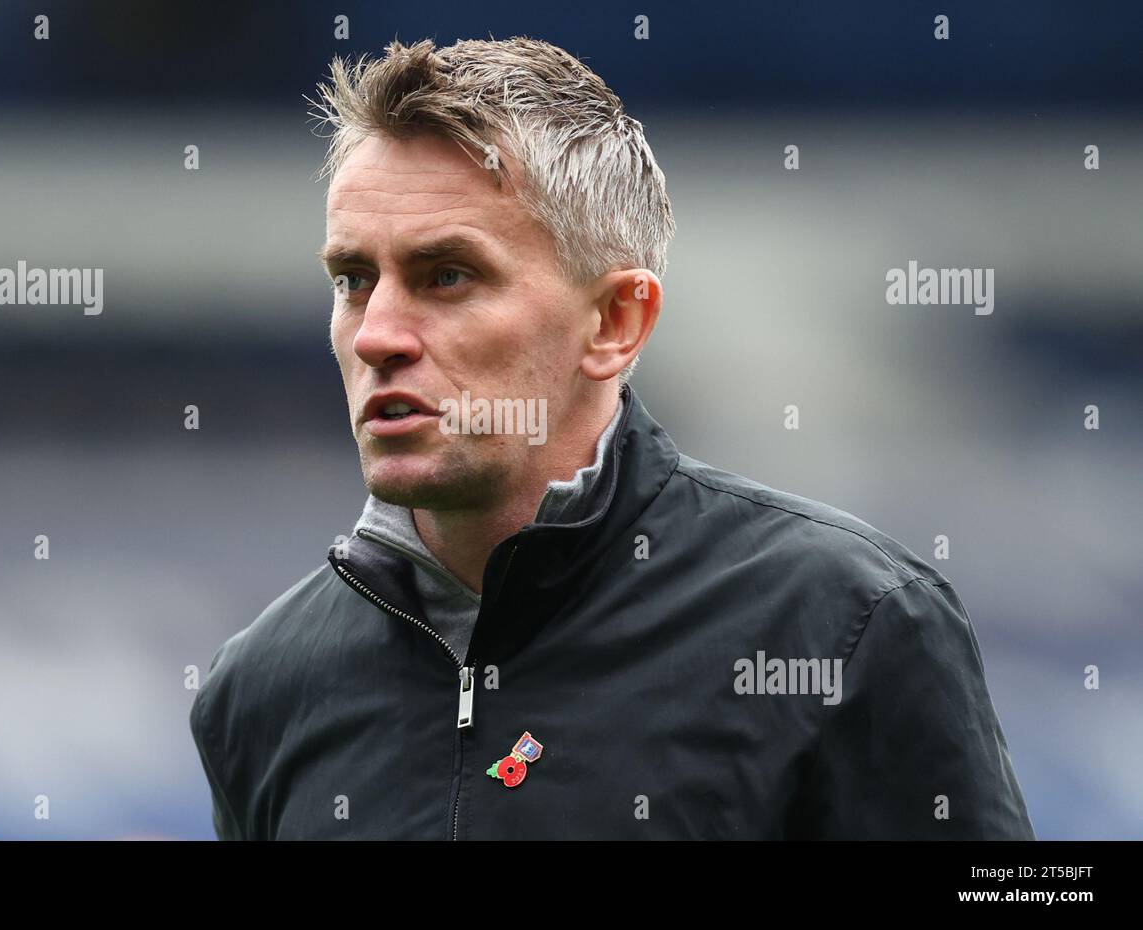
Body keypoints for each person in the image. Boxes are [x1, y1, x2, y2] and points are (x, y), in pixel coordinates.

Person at [188, 36, 1035, 840]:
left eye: (447, 275)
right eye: (353, 280)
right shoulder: (262, 689)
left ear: (614, 322)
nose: (377, 334)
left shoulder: (846, 623)